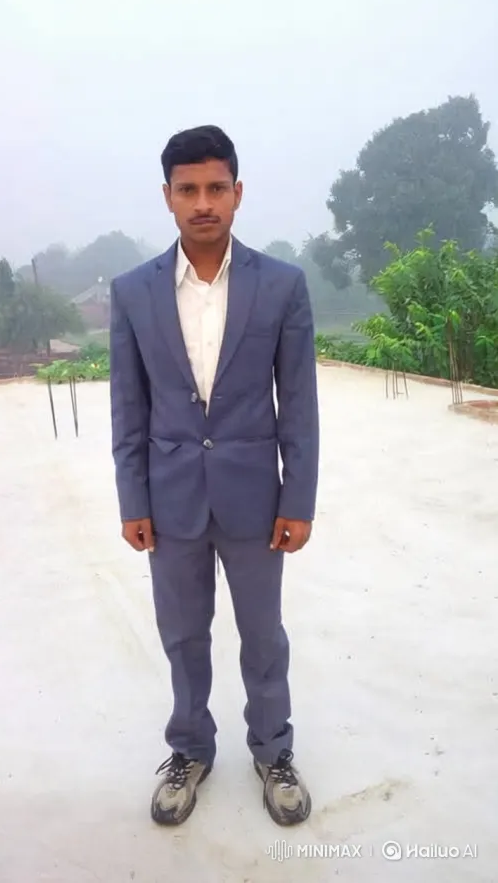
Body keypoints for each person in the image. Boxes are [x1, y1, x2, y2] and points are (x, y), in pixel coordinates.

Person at [109, 124, 319, 827]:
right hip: (169, 502)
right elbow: (127, 407)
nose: (204, 202)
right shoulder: (133, 292)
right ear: (167, 196)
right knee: (182, 635)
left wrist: (300, 497)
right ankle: (191, 746)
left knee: (263, 633)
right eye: (188, 189)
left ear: (238, 192)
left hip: (256, 500)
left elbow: (300, 405)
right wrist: (132, 497)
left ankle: (273, 748)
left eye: (216, 187)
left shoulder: (282, 286)